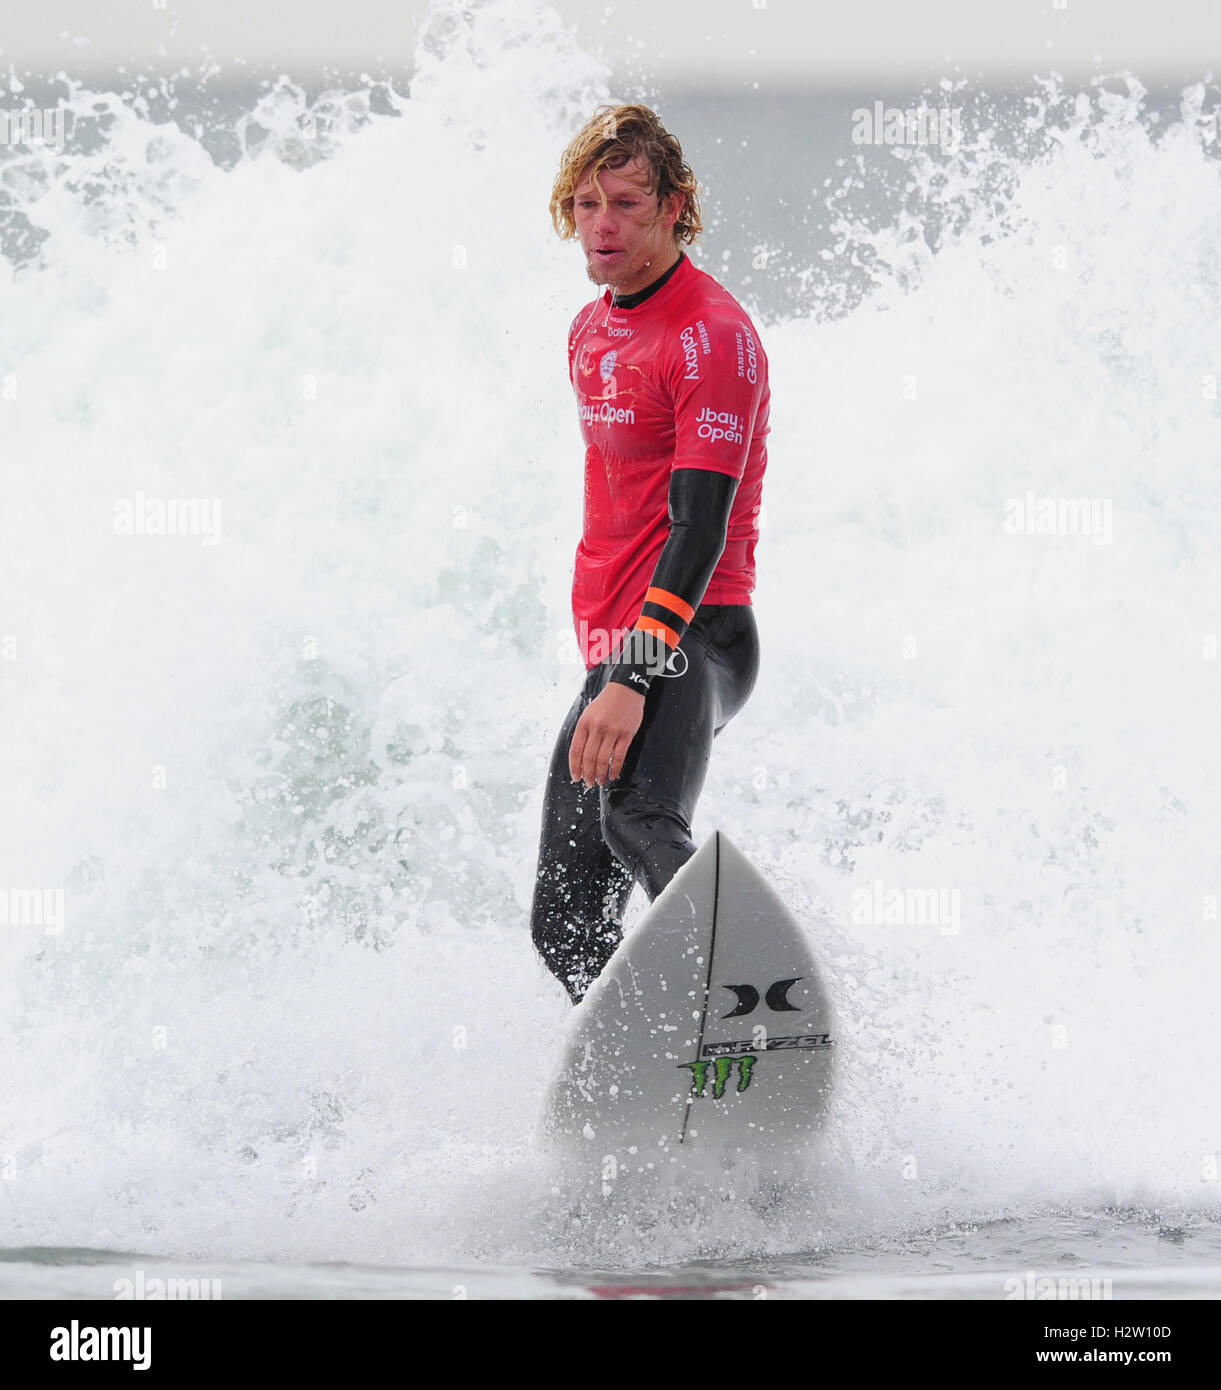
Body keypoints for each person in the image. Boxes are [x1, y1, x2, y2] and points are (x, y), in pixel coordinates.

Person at [530, 103, 770, 1004]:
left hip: (691, 634)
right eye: (587, 202)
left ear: (673, 206)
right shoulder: (591, 330)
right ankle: (652, 1067)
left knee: (637, 817)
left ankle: (745, 997)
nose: (602, 224)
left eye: (626, 203)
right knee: (563, 920)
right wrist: (612, 660)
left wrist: (634, 673)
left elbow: (696, 527)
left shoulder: (713, 337)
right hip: (617, 650)